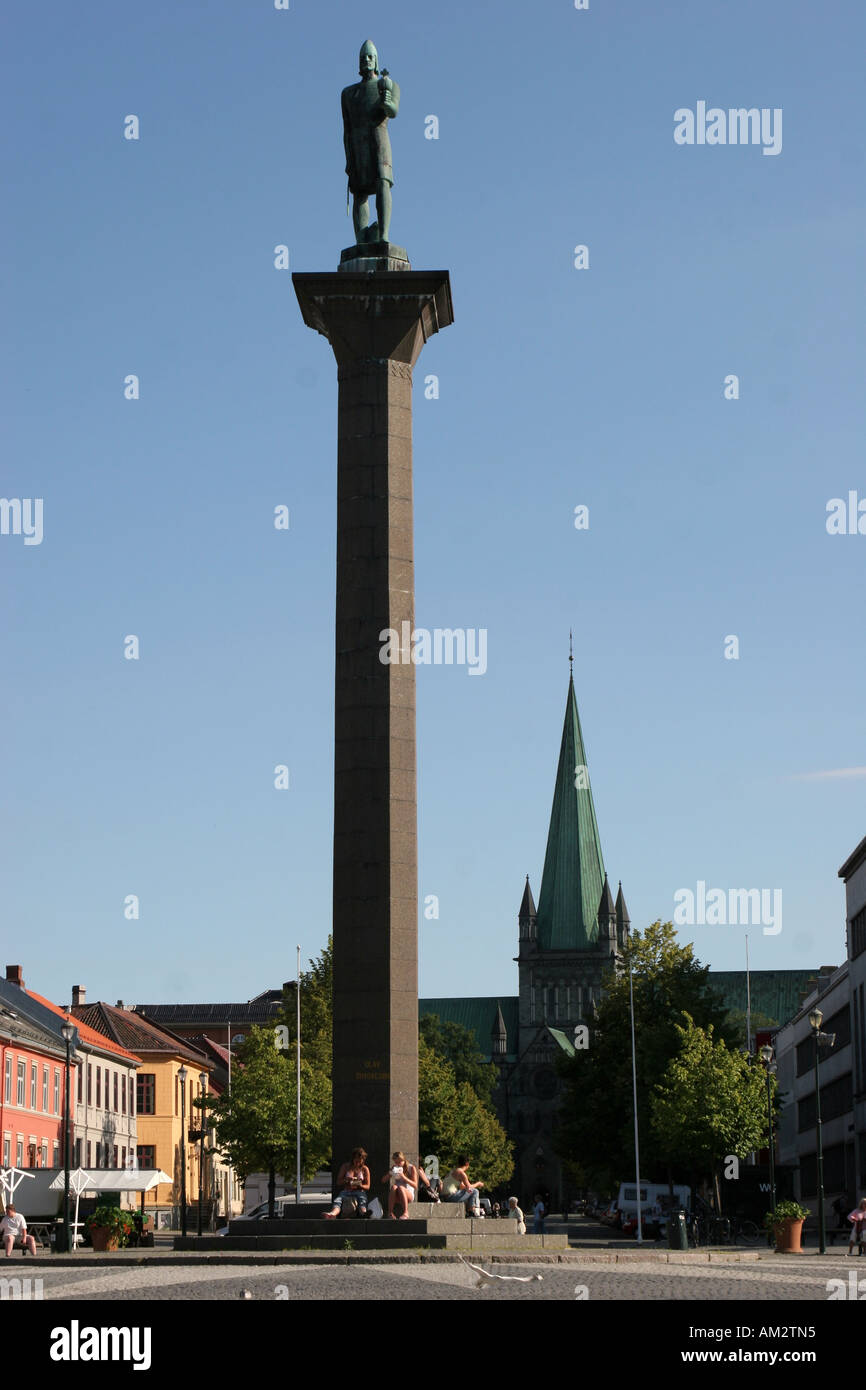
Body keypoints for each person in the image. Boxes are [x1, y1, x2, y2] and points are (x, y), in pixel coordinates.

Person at [323, 1148, 371, 1219]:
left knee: (362, 1200)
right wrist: (347, 1180)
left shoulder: (364, 1169)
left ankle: (364, 1213)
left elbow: (368, 1186)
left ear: (363, 1160)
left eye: (360, 1160)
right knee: (338, 1200)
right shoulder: (345, 1166)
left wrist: (360, 1185)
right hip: (347, 1190)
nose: (357, 1162)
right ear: (353, 1158)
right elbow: (338, 1182)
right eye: (356, 1159)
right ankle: (332, 1214)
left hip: (359, 1191)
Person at [381, 1152, 417, 1219]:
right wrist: (390, 1173)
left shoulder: (411, 1168)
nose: (398, 1164)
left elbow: (415, 1185)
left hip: (408, 1194)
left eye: (399, 1162)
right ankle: (390, 1213)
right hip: (397, 1195)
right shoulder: (394, 1167)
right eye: (396, 1162)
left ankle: (406, 1212)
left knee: (401, 1187)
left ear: (403, 1160)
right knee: (394, 1187)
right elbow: (383, 1180)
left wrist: (404, 1177)